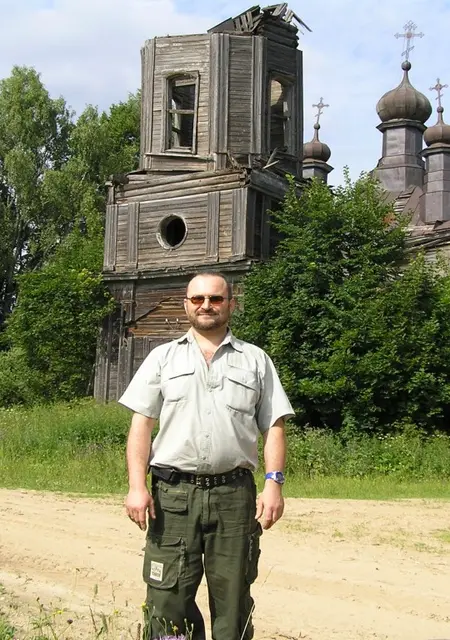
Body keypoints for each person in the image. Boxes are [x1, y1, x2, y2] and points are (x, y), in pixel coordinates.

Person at [119, 272, 294, 640]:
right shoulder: (162, 358)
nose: (206, 306)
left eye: (215, 299)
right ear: (187, 305)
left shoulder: (255, 360)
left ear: (231, 304)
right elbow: (141, 426)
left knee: (233, 601)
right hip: (173, 497)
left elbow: (274, 426)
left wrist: (274, 484)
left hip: (234, 497)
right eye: (197, 299)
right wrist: (137, 486)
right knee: (167, 600)